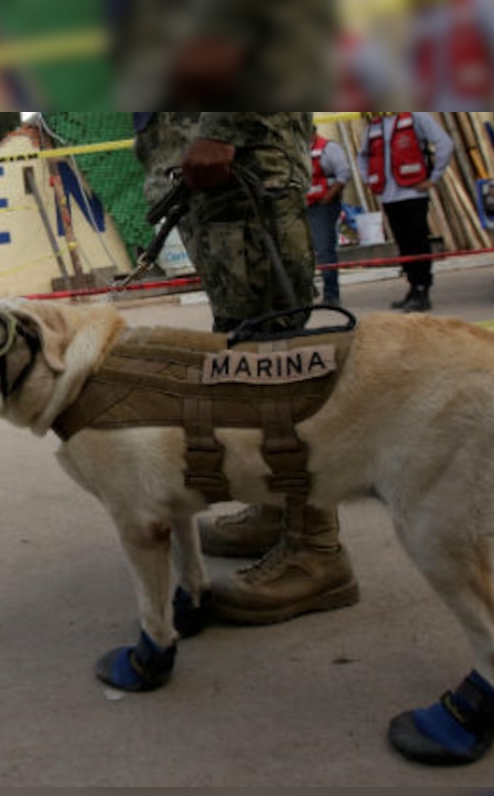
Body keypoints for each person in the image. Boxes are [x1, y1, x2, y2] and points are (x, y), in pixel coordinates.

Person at [133, 113, 359, 627]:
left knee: (274, 361)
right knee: (248, 356)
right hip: (211, 183)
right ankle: (280, 506)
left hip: (237, 160)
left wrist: (224, 127)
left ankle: (315, 549)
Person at [356, 112, 455, 312]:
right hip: (388, 195)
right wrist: (369, 179)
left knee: (417, 241)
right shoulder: (375, 126)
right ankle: (412, 286)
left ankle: (422, 288)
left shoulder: (416, 118)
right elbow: (362, 156)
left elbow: (445, 144)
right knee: (403, 244)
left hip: (412, 192)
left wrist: (433, 178)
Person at [305, 127, 352, 306]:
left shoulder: (328, 148)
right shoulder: (297, 150)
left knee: (325, 249)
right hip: (304, 205)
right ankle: (307, 289)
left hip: (323, 206)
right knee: (303, 251)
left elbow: (344, 174)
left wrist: (329, 197)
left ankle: (331, 293)